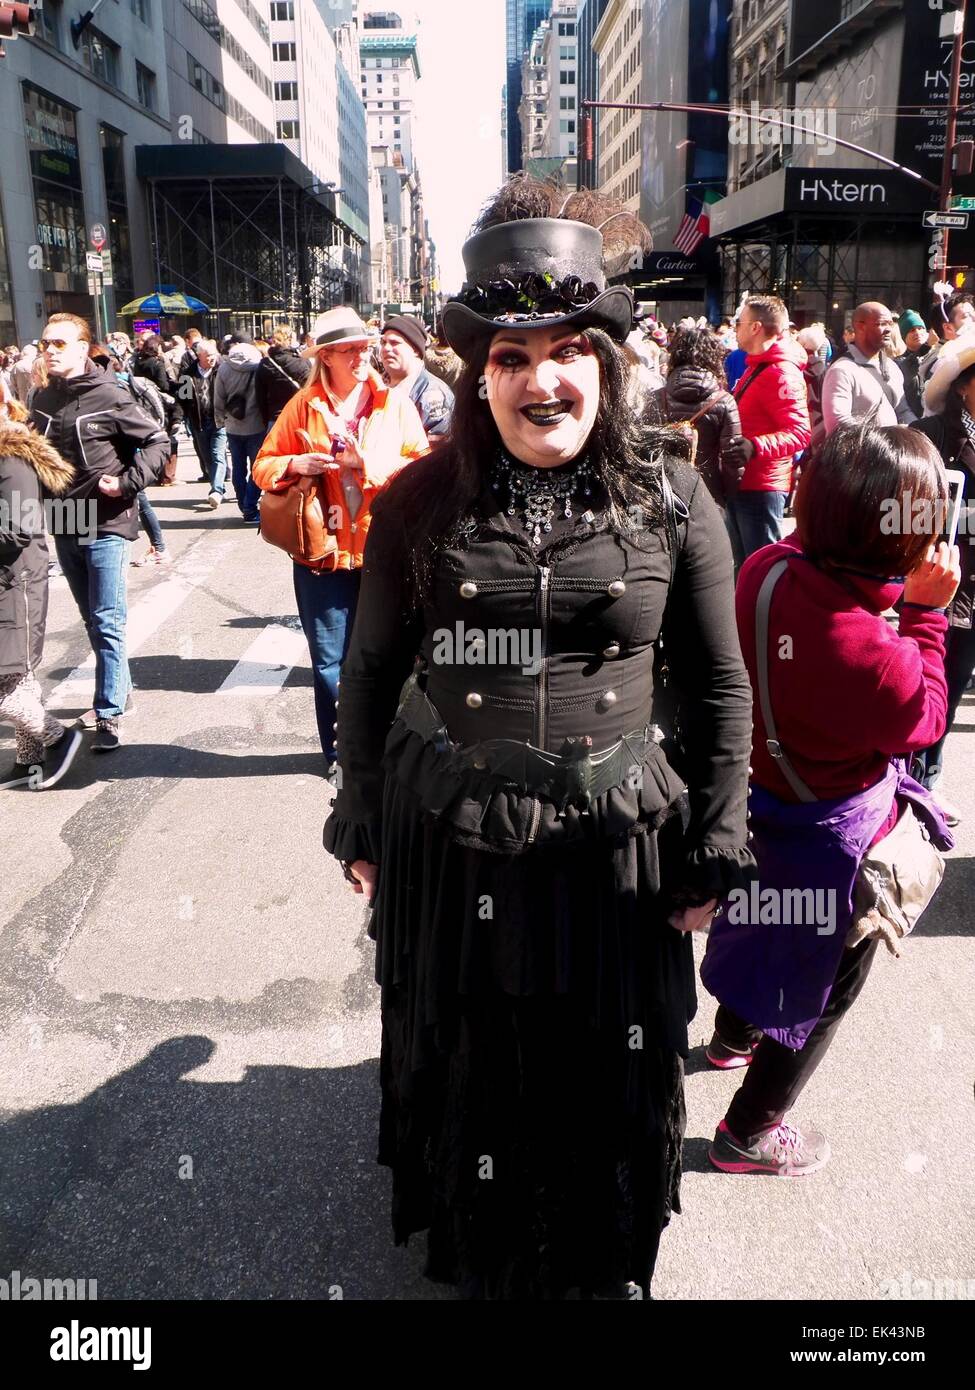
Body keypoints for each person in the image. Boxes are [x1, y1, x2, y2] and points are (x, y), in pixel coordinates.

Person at [323, 176, 753, 1299]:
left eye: (566, 348)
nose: (539, 377)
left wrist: (718, 835)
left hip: (618, 841)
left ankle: (596, 1255)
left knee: (608, 1054)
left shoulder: (672, 495)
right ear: (479, 375)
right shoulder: (419, 502)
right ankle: (488, 1245)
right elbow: (369, 671)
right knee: (477, 1052)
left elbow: (718, 681)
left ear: (607, 362)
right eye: (509, 357)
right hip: (456, 835)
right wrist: (357, 805)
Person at [701, 425, 957, 1176]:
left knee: (755, 926)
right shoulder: (877, 656)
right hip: (833, 841)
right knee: (818, 988)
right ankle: (747, 1133)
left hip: (759, 802)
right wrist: (925, 615)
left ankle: (728, 1038)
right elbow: (926, 718)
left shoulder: (766, 567)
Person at [252, 306, 428, 778]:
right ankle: (341, 754)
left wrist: (364, 463)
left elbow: (421, 467)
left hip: (382, 550)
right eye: (349, 351)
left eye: (364, 349)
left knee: (387, 655)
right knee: (330, 661)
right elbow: (262, 466)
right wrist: (296, 465)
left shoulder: (394, 403)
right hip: (321, 555)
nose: (362, 358)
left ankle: (387, 743)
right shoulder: (302, 406)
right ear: (325, 356)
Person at [30, 313, 169, 751]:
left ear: (83, 348)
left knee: (108, 618)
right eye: (46, 343)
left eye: (59, 343)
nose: (50, 350)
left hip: (107, 518)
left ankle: (109, 712)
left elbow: (158, 441)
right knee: (91, 615)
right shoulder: (40, 397)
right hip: (65, 519)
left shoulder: (110, 392)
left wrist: (128, 482)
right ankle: (119, 689)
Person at [0, 391, 83, 789]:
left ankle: (60, 737)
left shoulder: (10, 458)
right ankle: (28, 762)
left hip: (14, 582)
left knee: (8, 681)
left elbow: (16, 529)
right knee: (18, 679)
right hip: (9, 579)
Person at [909, 344, 975, 823]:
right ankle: (919, 783)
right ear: (966, 388)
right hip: (945, 582)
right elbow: (911, 514)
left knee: (952, 690)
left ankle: (924, 779)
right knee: (938, 687)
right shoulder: (931, 437)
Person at [722, 294, 811, 568]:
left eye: (739, 322)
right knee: (746, 567)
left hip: (761, 487)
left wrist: (756, 446)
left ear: (755, 327)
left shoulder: (780, 372)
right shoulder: (759, 366)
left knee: (760, 569)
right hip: (746, 482)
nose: (735, 328)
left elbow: (800, 433)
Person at [643, 325, 741, 509]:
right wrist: (727, 494)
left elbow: (643, 448)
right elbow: (732, 458)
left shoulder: (656, 397)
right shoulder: (724, 402)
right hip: (708, 492)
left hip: (663, 491)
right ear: (714, 359)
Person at [819, 302, 915, 439]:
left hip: (892, 456)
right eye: (881, 324)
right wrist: (884, 440)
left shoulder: (892, 368)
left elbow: (903, 410)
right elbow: (837, 424)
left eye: (890, 324)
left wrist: (918, 433)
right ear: (860, 326)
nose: (888, 329)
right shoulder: (841, 370)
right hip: (857, 458)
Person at [214, 333, 264, 525]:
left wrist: (220, 422)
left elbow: (218, 398)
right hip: (256, 424)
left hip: (233, 426)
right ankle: (251, 506)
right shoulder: (259, 366)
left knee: (237, 468)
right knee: (257, 468)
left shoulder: (225, 368)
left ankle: (244, 505)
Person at [381, 314, 454, 440]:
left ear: (415, 349)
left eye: (394, 343)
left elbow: (435, 452)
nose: (386, 348)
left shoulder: (433, 394)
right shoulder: (376, 385)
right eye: (383, 342)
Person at [178, 339, 227, 507]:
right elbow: (183, 399)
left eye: (214, 354)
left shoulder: (222, 370)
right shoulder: (187, 373)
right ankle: (217, 485)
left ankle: (217, 490)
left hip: (219, 420)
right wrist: (181, 419)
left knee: (217, 455)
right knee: (207, 459)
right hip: (199, 422)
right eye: (208, 356)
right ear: (199, 356)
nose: (212, 358)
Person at [132, 335, 181, 484]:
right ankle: (167, 476)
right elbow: (164, 386)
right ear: (156, 347)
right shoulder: (157, 363)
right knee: (167, 439)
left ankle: (154, 474)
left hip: (143, 403)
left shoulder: (138, 363)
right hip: (160, 405)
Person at [254, 327, 310, 431]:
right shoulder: (301, 362)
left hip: (276, 418)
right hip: (299, 417)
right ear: (290, 340)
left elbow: (260, 397)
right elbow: (311, 390)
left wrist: (266, 420)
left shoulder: (265, 364)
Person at [896, 310, 929, 419]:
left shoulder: (938, 356)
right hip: (913, 421)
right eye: (911, 330)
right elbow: (911, 363)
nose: (917, 333)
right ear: (904, 336)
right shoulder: (899, 362)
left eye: (920, 328)